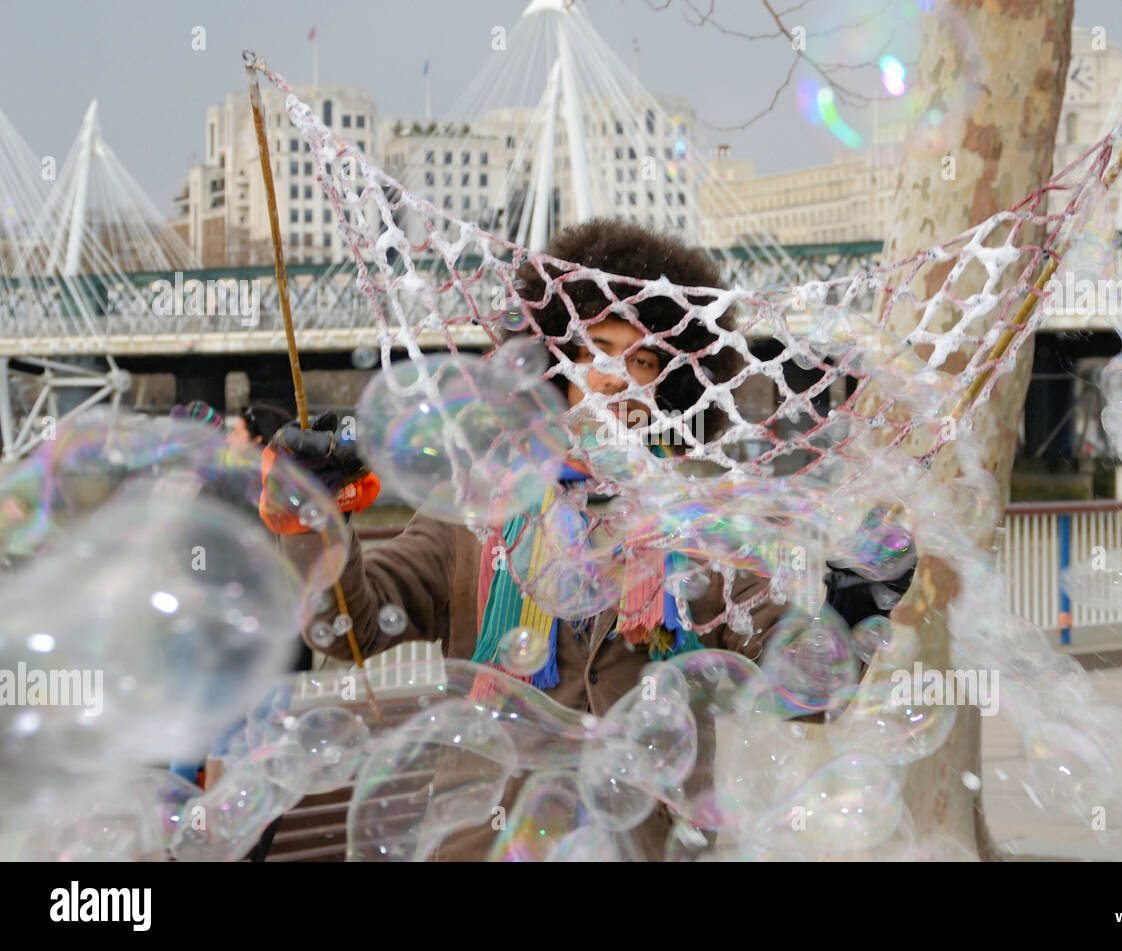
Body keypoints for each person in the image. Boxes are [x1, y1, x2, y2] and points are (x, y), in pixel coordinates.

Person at [261, 218, 905, 860]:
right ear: (552, 363)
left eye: (643, 358)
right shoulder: (475, 512)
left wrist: (851, 613)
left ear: (671, 389)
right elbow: (351, 629)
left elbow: (795, 679)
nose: (614, 376)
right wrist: (313, 515)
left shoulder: (697, 525)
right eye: (596, 348)